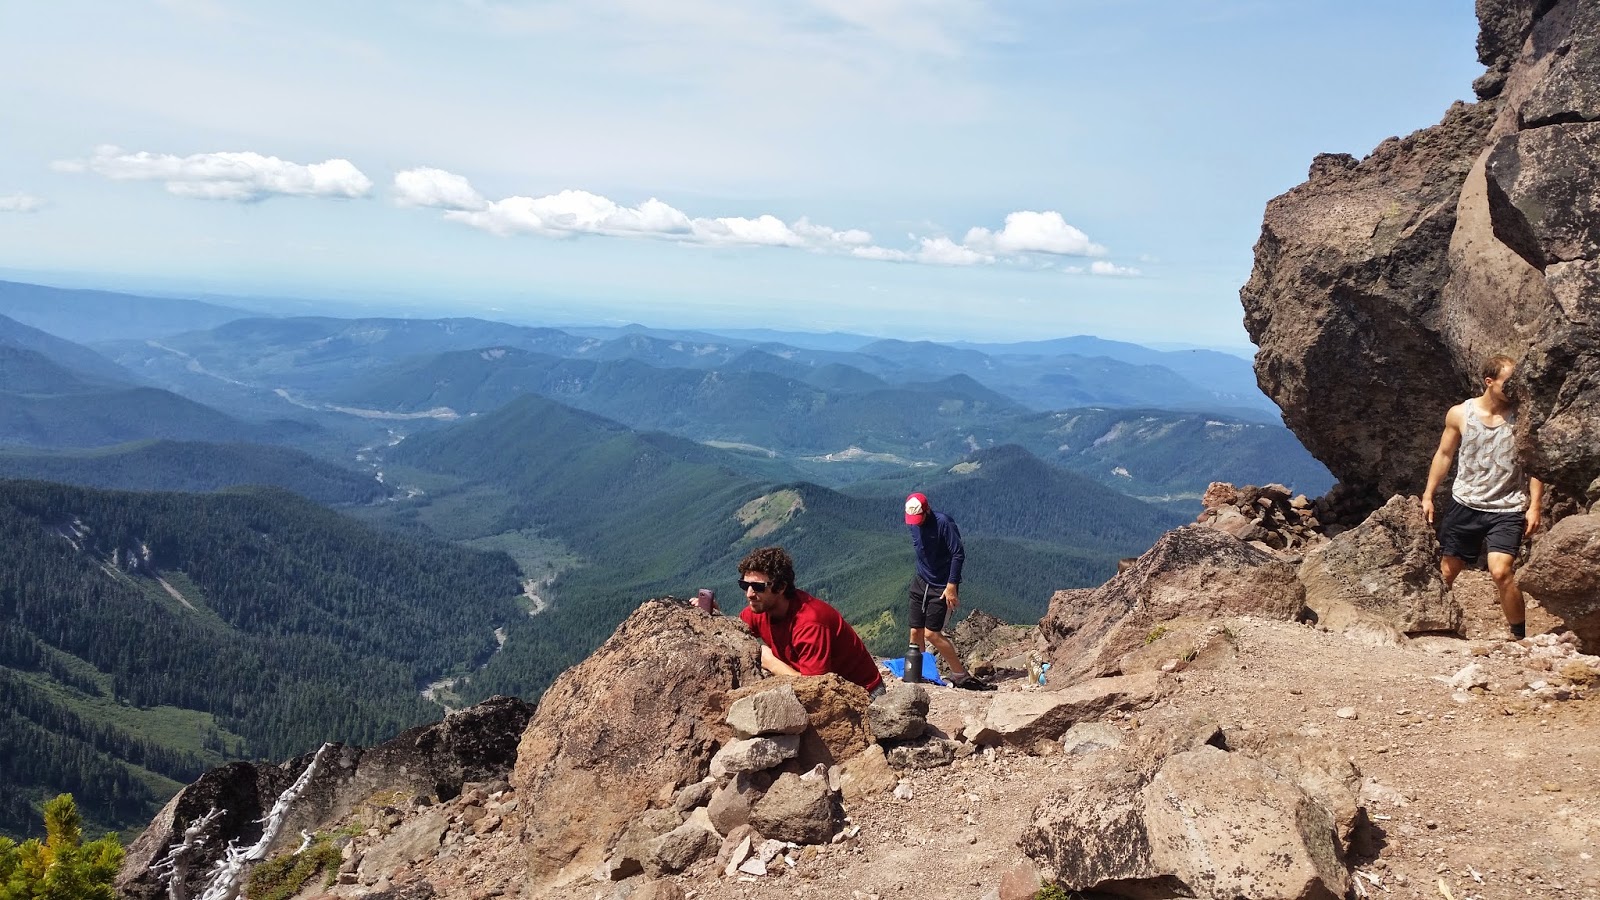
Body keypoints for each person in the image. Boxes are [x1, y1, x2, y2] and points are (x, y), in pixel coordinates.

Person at [1421, 354, 1544, 640]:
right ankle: (1429, 626)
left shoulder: (1523, 418)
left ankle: (1519, 636)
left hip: (1508, 507)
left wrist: (1535, 505)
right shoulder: (1460, 414)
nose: (1513, 391)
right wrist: (1428, 495)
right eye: (1507, 384)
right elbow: (1444, 455)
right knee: (1448, 572)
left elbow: (1535, 464)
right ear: (1489, 382)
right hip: (1465, 503)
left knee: (1501, 572)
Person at [736, 546, 885, 698]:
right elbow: (733, 635)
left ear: (781, 587)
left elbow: (815, 690)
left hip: (862, 694)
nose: (749, 594)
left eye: (757, 587)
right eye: (744, 585)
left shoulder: (810, 623)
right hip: (822, 686)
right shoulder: (761, 608)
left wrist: (771, 662)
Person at [903, 492, 994, 691]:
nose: (915, 524)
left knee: (932, 634)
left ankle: (960, 674)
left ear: (927, 510)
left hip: (942, 586)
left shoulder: (943, 523)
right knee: (914, 631)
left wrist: (952, 585)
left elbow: (958, 553)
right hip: (921, 581)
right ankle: (919, 671)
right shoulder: (913, 523)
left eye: (919, 519)